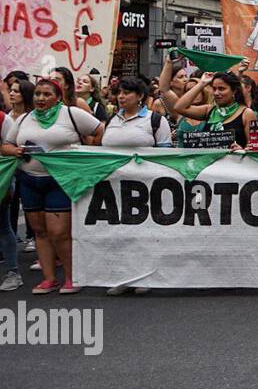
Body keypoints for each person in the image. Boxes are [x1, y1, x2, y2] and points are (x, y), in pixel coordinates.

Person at [0, 78, 103, 294]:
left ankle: (72, 277)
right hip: (30, 180)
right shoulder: (25, 118)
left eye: (47, 94)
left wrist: (87, 152)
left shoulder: (71, 114)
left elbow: (99, 129)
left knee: (59, 233)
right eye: (37, 94)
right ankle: (48, 279)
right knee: (39, 231)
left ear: (57, 97)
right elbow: (6, 145)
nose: (41, 98)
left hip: (61, 181)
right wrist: (16, 151)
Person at [0, 79, 34, 292]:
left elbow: (10, 147)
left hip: (2, 181)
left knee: (4, 226)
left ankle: (13, 271)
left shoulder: (3, 119)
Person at [173, 72, 256, 148]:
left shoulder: (246, 114)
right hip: (207, 163)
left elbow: (253, 147)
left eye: (221, 89)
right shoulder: (209, 110)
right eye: (214, 88)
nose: (216, 93)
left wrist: (241, 150)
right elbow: (179, 107)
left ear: (234, 91)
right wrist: (202, 83)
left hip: (233, 163)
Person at [101, 76, 173, 150]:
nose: (120, 96)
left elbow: (165, 154)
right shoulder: (111, 120)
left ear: (140, 96)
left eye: (126, 93)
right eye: (119, 93)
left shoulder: (156, 120)